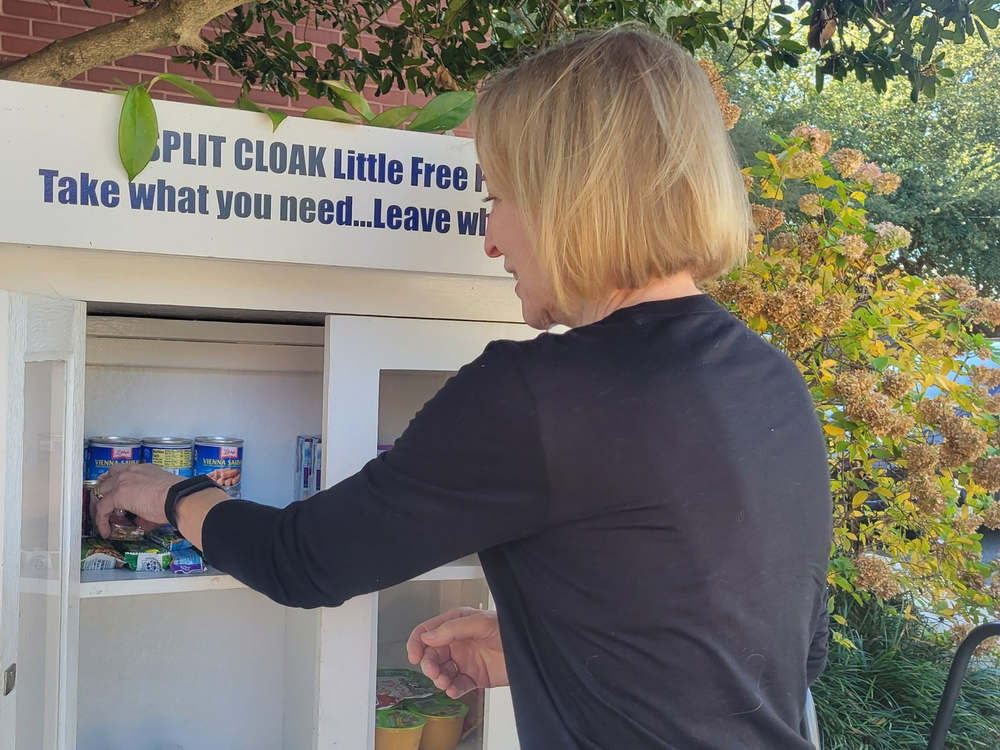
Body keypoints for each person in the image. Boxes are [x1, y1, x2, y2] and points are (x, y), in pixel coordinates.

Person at [92, 26, 832, 750]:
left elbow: (302, 561)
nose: (490, 238)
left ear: (568, 199)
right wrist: (543, 643)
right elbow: (783, 650)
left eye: (498, 199)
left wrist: (169, 493)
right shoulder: (772, 380)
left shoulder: (536, 395)